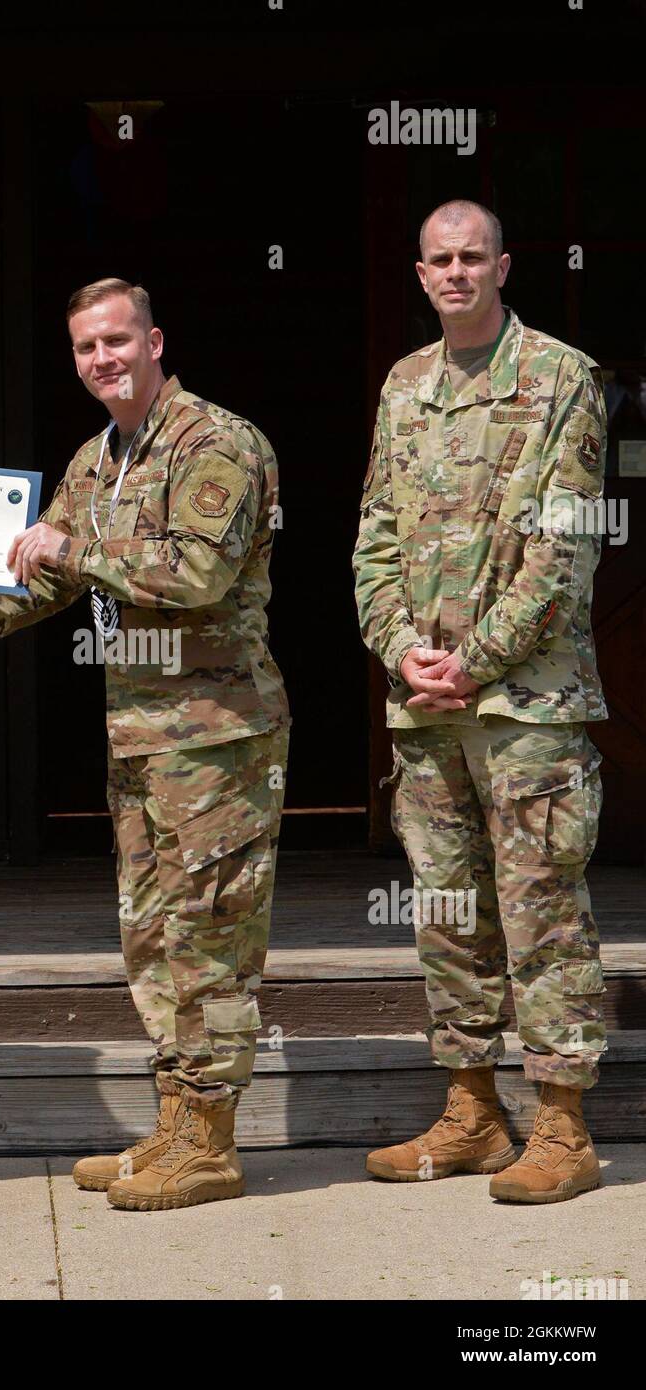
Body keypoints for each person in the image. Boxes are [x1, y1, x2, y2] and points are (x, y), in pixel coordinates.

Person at [0, 278, 290, 1210]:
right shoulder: (97, 457)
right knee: (154, 937)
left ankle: (209, 1141)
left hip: (218, 740)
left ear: (155, 340)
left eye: (118, 341)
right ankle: (173, 1123)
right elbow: (36, 583)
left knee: (210, 937)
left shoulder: (217, 443)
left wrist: (71, 550)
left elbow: (197, 572)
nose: (104, 360)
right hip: (138, 738)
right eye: (87, 348)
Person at [353, 202, 608, 1204]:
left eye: (472, 257)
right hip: (428, 710)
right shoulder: (403, 385)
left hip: (527, 707)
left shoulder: (560, 378)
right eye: (438, 260)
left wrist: (477, 658)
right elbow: (373, 536)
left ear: (502, 265)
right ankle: (472, 1110)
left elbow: (563, 551)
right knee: (450, 913)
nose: (455, 273)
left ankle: (562, 1123)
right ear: (419, 274)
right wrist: (397, 646)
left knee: (542, 914)